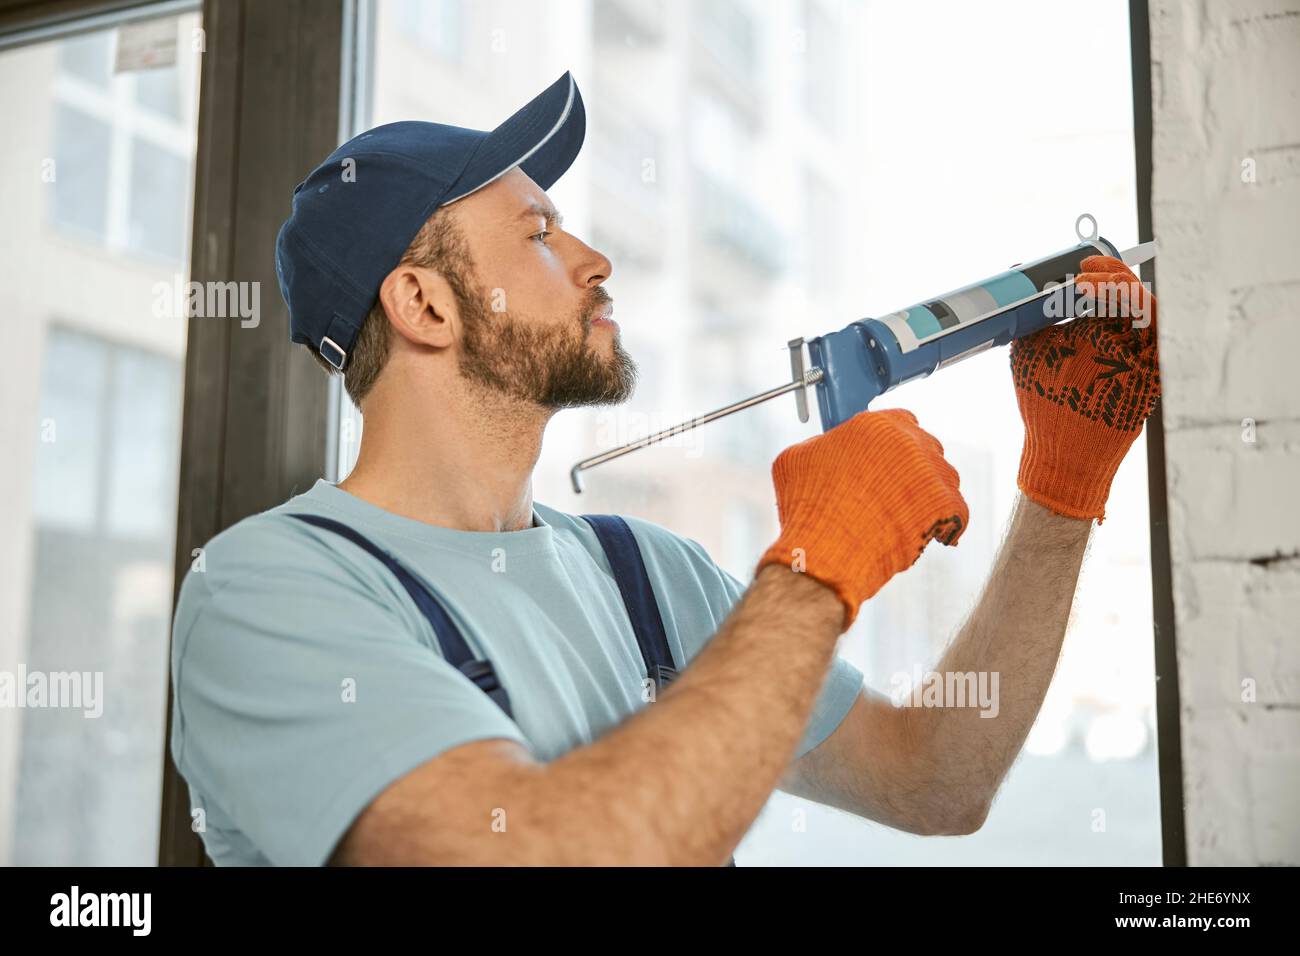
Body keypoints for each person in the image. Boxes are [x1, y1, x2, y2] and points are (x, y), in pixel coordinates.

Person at [169, 72, 1160, 866]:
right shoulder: (266, 592)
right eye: (538, 233)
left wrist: (1062, 485)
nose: (597, 258)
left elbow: (937, 781)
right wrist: (814, 572)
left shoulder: (638, 572)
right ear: (424, 304)